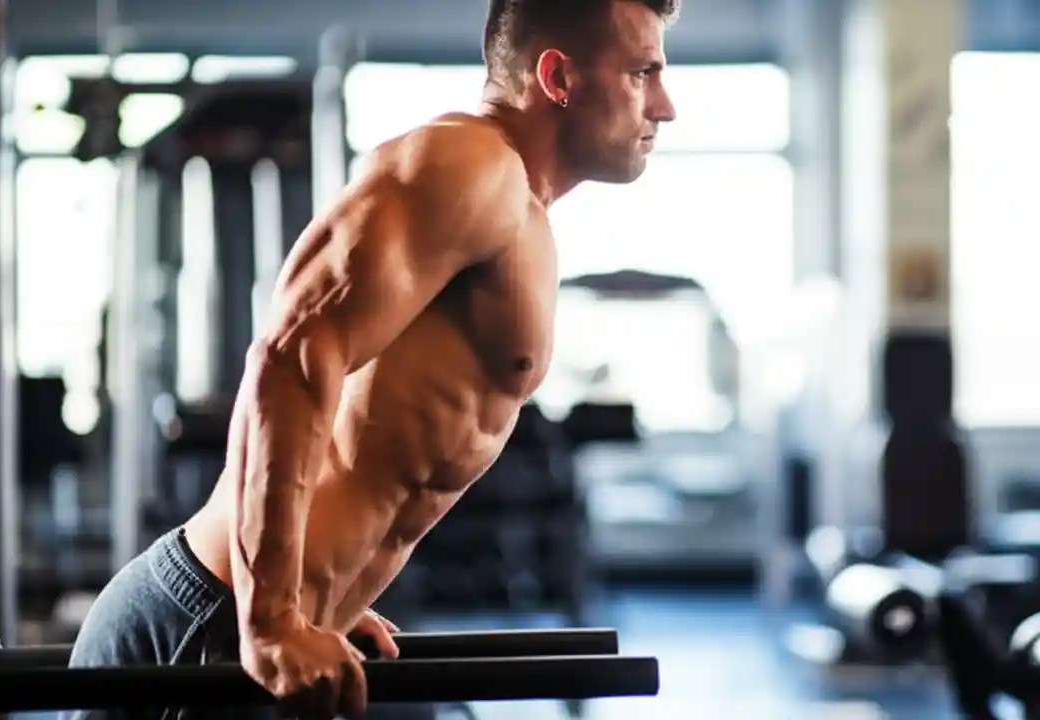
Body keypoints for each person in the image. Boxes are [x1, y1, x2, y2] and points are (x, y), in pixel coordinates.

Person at [65, 0, 679, 718]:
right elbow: (290, 360)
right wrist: (272, 622)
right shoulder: (470, 167)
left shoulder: (520, 212)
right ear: (557, 77)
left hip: (254, 618)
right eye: (642, 73)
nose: (664, 106)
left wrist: (321, 602)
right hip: (208, 624)